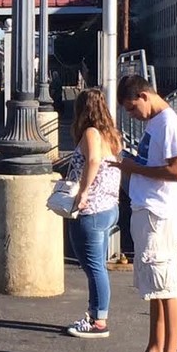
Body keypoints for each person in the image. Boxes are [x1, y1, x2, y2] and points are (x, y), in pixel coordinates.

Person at [111, 74, 177, 352]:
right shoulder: (154, 124)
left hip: (160, 216)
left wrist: (133, 168)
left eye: (131, 108)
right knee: (155, 288)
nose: (132, 115)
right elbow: (154, 163)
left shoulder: (168, 124)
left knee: (167, 287)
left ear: (144, 96)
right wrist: (129, 161)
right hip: (148, 213)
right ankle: (154, 351)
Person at [64, 88, 122, 338]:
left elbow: (93, 161)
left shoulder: (91, 133)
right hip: (109, 207)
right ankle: (94, 314)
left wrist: (83, 192)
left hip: (92, 209)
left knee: (94, 266)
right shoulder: (111, 135)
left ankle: (99, 321)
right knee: (96, 265)